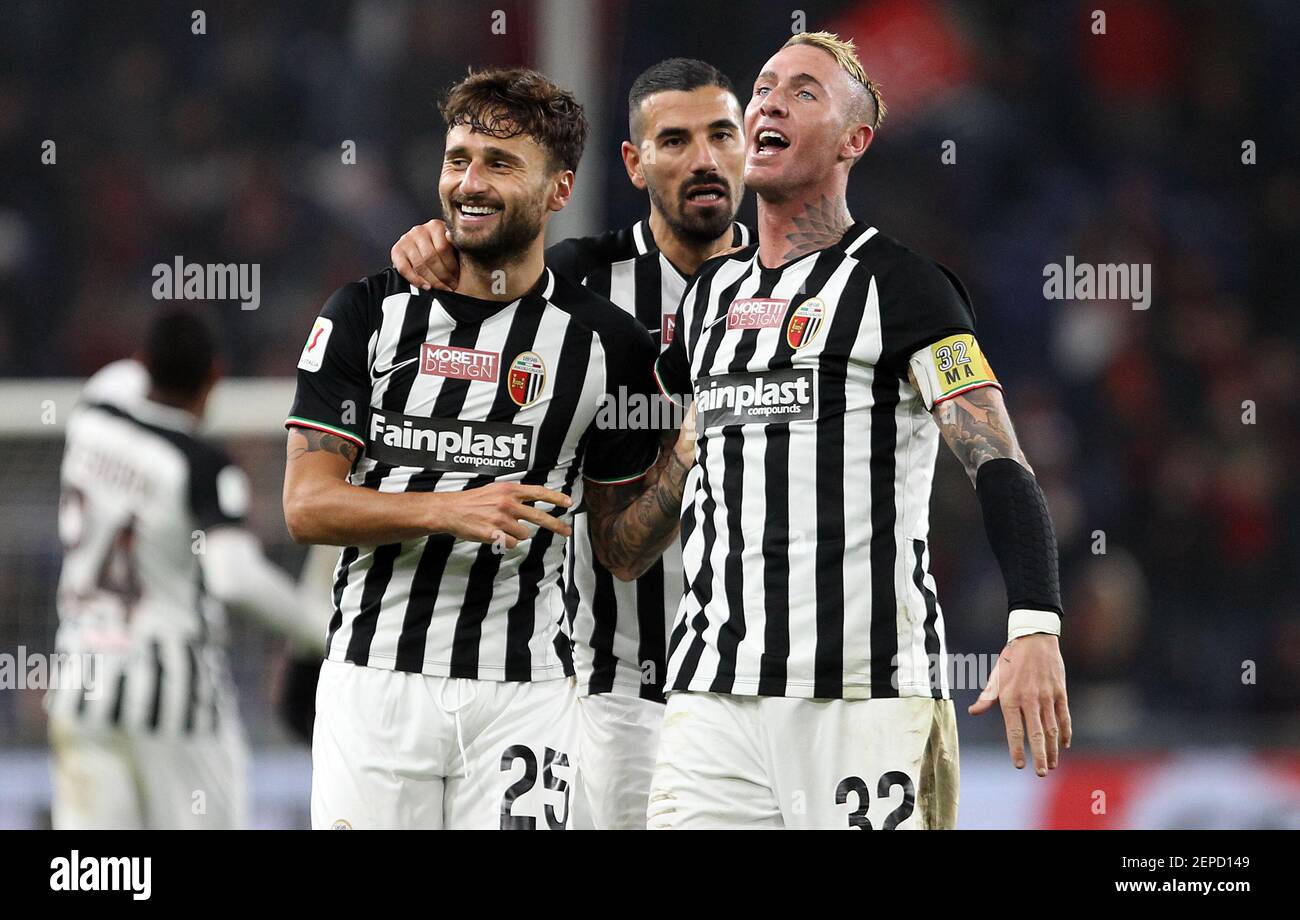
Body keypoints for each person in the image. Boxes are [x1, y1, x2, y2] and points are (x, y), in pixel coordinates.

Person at [642, 31, 1072, 829]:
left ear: (854, 140)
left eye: (803, 91)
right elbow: (676, 473)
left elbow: (999, 463)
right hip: (712, 702)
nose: (768, 99)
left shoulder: (907, 288)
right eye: (763, 86)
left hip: (865, 696)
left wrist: (1035, 624)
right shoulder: (706, 301)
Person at [283, 67, 687, 830]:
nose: (470, 182)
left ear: (558, 190)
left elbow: (621, 551)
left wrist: (683, 465)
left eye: (500, 164)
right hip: (375, 683)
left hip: (524, 694)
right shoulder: (367, 314)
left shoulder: (608, 345)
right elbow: (306, 507)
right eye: (458, 158)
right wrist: (449, 509)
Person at [389, 57, 748, 829]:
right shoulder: (571, 283)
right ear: (634, 161)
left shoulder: (799, 287)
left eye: (722, 135)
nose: (704, 159)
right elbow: (465, 292)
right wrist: (432, 246)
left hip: (762, 687)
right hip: (611, 692)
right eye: (675, 140)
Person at [48, 309, 322, 829]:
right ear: (215, 377)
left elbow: (125, 380)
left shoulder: (93, 411)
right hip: (174, 699)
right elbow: (233, 578)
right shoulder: (201, 468)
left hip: (81, 681)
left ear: (141, 362)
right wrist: (319, 626)